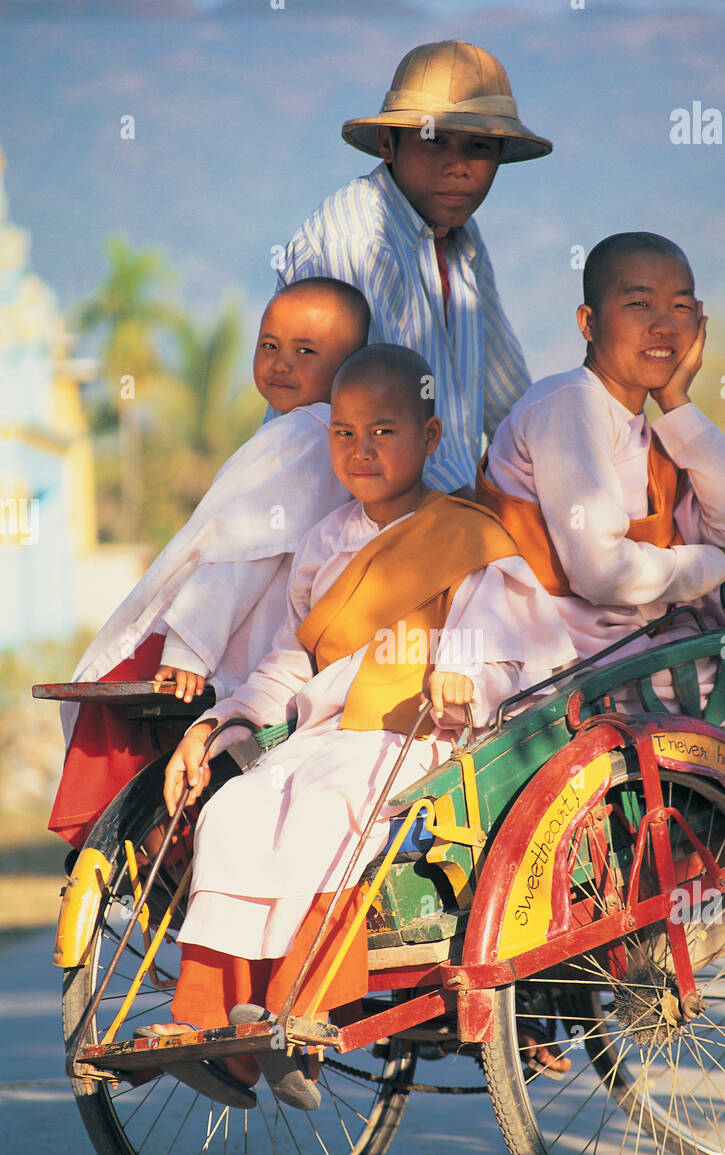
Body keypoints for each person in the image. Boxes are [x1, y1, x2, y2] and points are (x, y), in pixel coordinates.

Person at [138, 344, 575, 1107]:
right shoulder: (324, 543)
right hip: (329, 734)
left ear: (431, 436)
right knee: (235, 810)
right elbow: (288, 665)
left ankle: (302, 1014)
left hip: (424, 743)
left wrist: (464, 681)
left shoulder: (470, 538)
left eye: (384, 432)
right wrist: (219, 724)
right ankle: (218, 1029)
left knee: (325, 805)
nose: (362, 450)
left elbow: (520, 656)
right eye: (345, 434)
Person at [478, 231, 725, 928]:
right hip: (565, 656)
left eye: (680, 305)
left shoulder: (644, 424)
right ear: (588, 323)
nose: (664, 324)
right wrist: (722, 567)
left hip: (631, 643)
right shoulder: (568, 406)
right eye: (639, 303)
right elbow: (604, 571)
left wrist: (680, 405)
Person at [49, 278, 370, 850]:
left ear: (349, 367)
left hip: (217, 637)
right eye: (268, 345)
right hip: (277, 647)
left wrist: (188, 650)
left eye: (306, 351)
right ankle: (153, 848)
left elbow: (235, 554)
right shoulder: (334, 439)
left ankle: (138, 848)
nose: (280, 364)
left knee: (110, 697)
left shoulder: (299, 434)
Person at [272, 39, 552, 492]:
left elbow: (511, 407)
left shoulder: (463, 240)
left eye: (479, 147)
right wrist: (473, 519)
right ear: (388, 143)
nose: (457, 167)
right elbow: (375, 426)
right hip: (343, 522)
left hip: (441, 514)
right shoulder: (362, 239)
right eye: (434, 140)